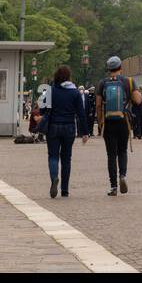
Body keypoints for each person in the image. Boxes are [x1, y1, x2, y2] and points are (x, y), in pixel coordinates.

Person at [42, 65, 90, 198]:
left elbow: (42, 109)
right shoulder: (75, 92)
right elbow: (81, 114)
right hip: (69, 127)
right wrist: (85, 132)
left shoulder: (51, 90)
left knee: (53, 156)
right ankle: (65, 189)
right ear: (69, 77)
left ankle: (54, 178)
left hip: (53, 127)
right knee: (66, 158)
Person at [95, 56, 135, 196]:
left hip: (109, 122)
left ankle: (113, 187)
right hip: (123, 120)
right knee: (122, 150)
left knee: (111, 155)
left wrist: (100, 123)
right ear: (120, 67)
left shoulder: (102, 83)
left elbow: (99, 105)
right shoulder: (128, 81)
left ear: (109, 69)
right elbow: (137, 100)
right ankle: (122, 175)